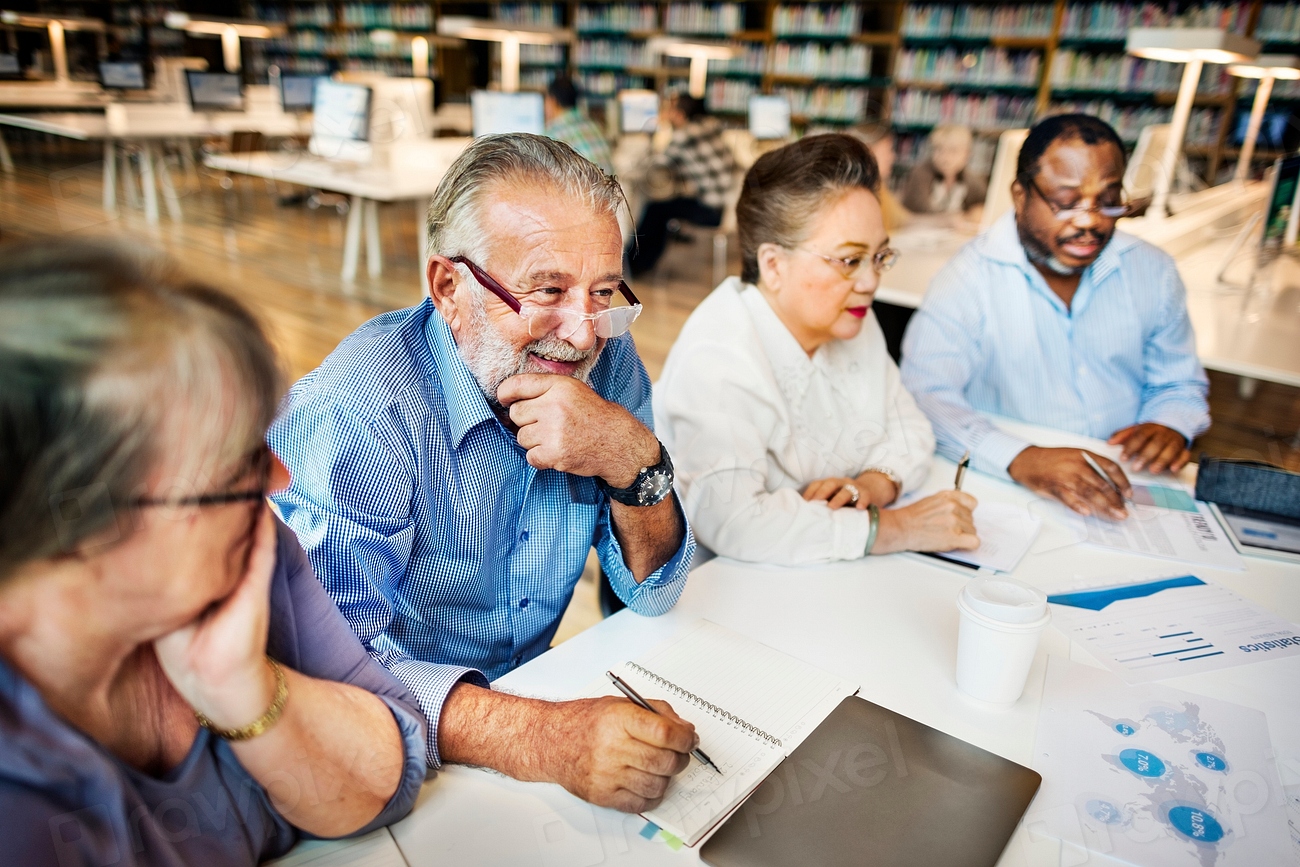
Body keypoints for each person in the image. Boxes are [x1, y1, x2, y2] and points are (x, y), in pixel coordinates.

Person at [268, 133, 699, 812]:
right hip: (399, 752)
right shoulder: (361, 409)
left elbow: (653, 590)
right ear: (448, 286)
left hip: (539, 692)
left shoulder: (608, 358)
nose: (583, 334)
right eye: (547, 289)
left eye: (604, 292)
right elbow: (327, 670)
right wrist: (543, 738)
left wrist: (631, 457)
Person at [0, 242, 425, 866]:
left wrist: (243, 687)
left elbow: (391, 772)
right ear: (85, 525)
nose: (278, 479)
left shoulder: (245, 553)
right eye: (239, 464)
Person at [653, 134, 979, 566]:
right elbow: (733, 520)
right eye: (848, 260)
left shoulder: (847, 319)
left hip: (824, 575)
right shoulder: (718, 356)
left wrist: (873, 483)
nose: (869, 283)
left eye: (879, 258)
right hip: (727, 592)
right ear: (773, 264)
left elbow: (911, 429)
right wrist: (893, 527)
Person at [900, 114, 1211, 520]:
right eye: (1065, 202)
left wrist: (1169, 422)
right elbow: (925, 396)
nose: (1090, 220)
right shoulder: (967, 279)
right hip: (1010, 486)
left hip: (1127, 481)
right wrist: (1021, 457)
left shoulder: (1152, 270)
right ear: (1019, 194)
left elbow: (1179, 382)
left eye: (1108, 199)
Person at [627, 92, 737, 276]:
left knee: (657, 209)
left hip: (712, 211)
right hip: (727, 206)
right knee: (667, 206)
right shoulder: (710, 125)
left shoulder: (684, 136)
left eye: (671, 109)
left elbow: (656, 164)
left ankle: (634, 265)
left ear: (680, 114)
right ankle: (644, 263)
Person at [901, 124, 987, 216]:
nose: (945, 158)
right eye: (939, 150)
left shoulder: (972, 180)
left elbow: (984, 204)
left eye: (953, 151)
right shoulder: (920, 175)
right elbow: (922, 210)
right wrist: (963, 216)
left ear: (967, 154)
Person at [543, 73, 614, 174]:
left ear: (552, 100)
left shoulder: (553, 132)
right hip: (609, 187)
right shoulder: (593, 125)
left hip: (585, 188)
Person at [849, 122, 912, 231]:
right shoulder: (852, 193)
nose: (893, 156)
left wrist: (949, 220)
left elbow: (905, 220)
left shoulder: (878, 185)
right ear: (869, 151)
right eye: (889, 150)